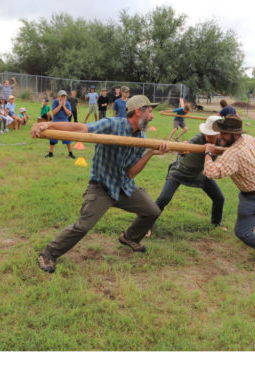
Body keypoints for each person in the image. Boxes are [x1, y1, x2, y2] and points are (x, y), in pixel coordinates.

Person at [33, 95, 166, 274]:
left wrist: (149, 152)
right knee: (83, 226)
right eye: (150, 112)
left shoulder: (142, 138)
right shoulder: (112, 124)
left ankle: (129, 237)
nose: (152, 116)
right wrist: (48, 125)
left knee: (152, 211)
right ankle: (48, 253)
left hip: (124, 187)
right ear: (138, 112)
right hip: (101, 187)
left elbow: (131, 173)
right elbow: (82, 129)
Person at [201, 115, 255, 262]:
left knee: (243, 232)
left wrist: (208, 153)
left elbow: (211, 172)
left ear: (236, 134)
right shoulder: (248, 139)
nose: (221, 137)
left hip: (254, 195)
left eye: (225, 134)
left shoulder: (234, 153)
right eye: (221, 133)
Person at [152, 114, 229, 233]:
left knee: (219, 198)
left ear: (218, 134)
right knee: (163, 199)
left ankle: (216, 223)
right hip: (180, 171)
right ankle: (146, 226)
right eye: (206, 134)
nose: (208, 137)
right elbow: (186, 149)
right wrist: (183, 149)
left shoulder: (221, 142)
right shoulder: (197, 139)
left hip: (200, 174)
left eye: (211, 135)